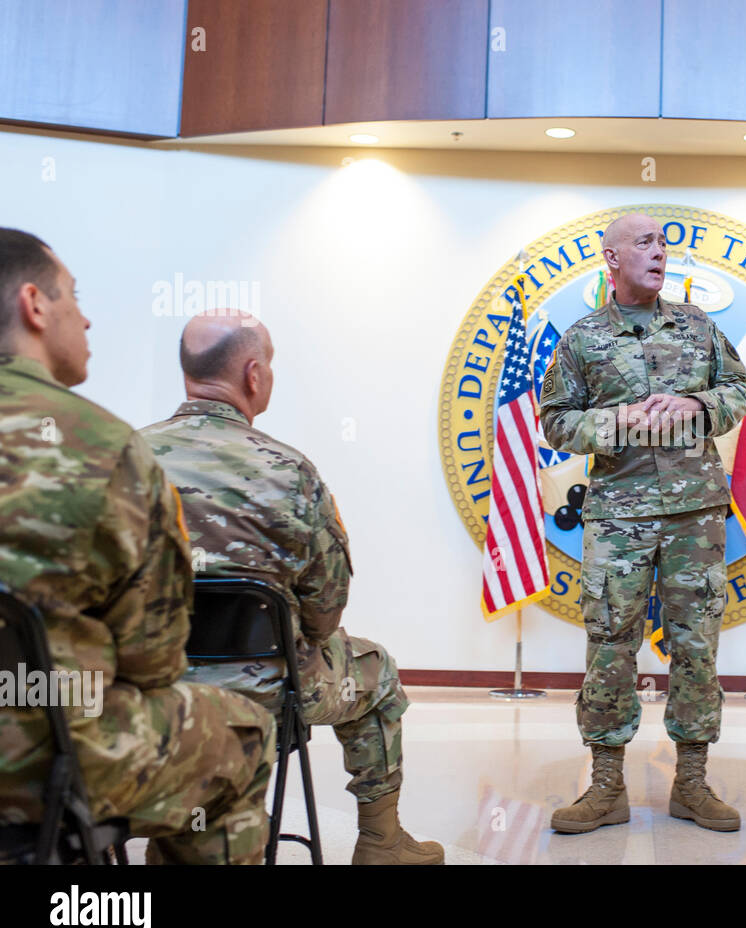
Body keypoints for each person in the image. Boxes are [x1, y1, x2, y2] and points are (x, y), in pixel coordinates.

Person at [0, 229, 275, 864]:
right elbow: (153, 659)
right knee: (240, 733)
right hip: (42, 754)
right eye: (74, 296)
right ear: (35, 305)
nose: (86, 316)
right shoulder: (103, 446)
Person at [140, 309, 443, 865]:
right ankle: (381, 842)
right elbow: (325, 609)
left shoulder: (125, 459)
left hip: (148, 692)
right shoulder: (289, 471)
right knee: (375, 670)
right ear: (254, 375)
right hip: (269, 693)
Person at [539, 213, 746, 833]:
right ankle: (606, 787)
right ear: (611, 258)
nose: (660, 252)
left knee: (696, 647)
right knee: (610, 647)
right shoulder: (582, 338)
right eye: (644, 242)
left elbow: (738, 391)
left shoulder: (697, 325)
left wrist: (696, 404)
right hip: (618, 516)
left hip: (695, 513)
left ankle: (691, 784)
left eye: (663, 242)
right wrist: (620, 421)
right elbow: (555, 422)